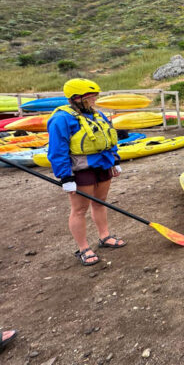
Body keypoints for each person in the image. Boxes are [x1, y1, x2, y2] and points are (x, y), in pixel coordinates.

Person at [47, 79, 125, 266]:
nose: (94, 100)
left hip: (103, 165)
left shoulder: (97, 115)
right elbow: (57, 151)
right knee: (80, 209)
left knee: (100, 203)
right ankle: (83, 248)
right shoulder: (61, 119)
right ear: (77, 98)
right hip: (81, 169)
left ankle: (104, 237)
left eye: (95, 96)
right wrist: (66, 177)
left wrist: (114, 160)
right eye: (90, 97)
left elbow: (109, 138)